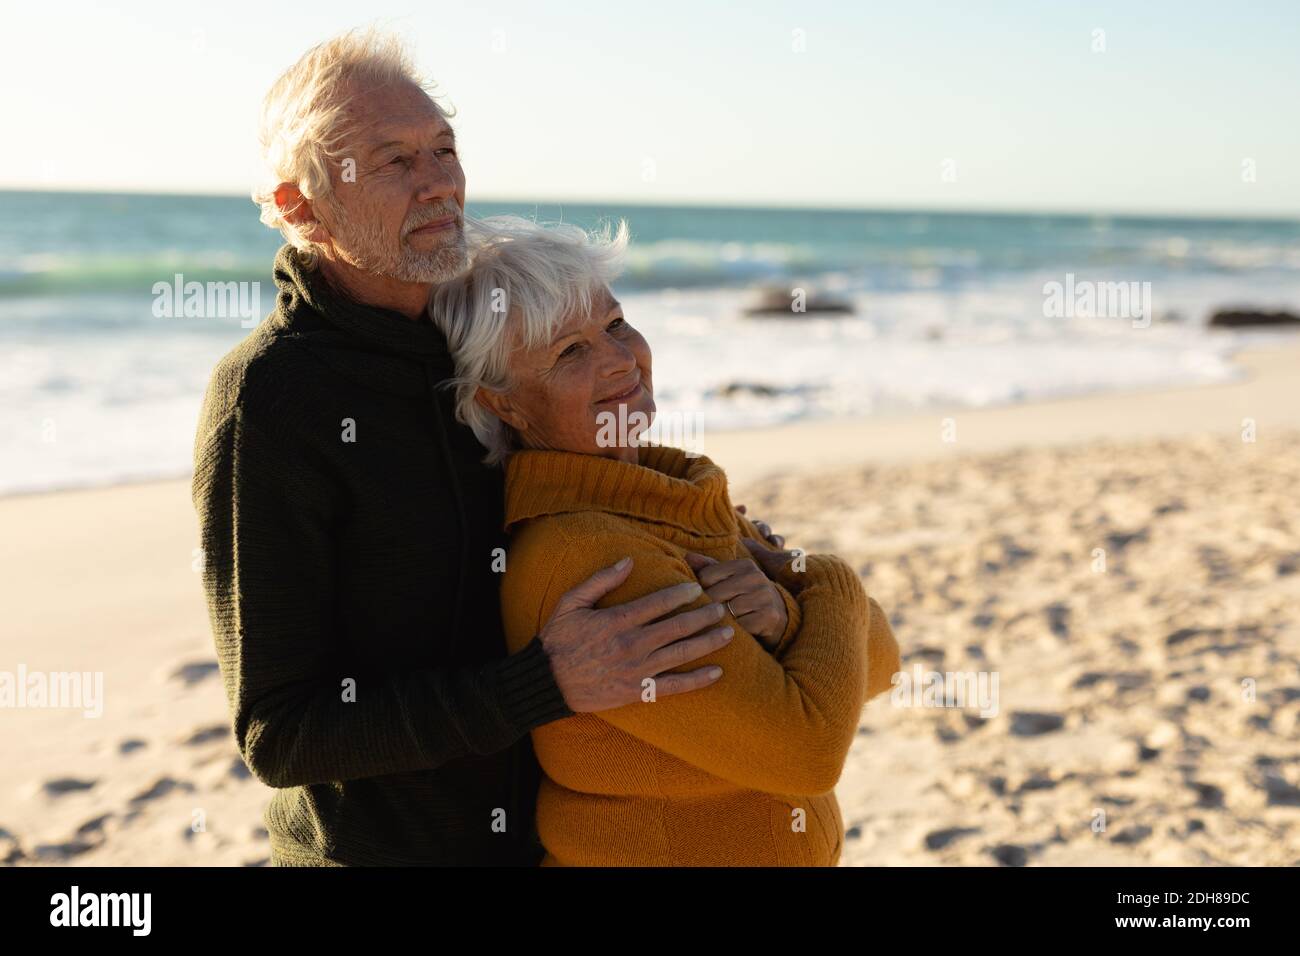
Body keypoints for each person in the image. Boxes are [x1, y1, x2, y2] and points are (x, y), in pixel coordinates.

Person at [191, 29, 764, 866]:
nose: (439, 185)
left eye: (444, 148)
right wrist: (542, 683)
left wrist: (739, 554)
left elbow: (593, 482)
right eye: (392, 162)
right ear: (299, 208)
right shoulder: (271, 403)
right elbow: (282, 733)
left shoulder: (479, 338)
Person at [429, 216, 902, 865]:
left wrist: (784, 613)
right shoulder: (589, 556)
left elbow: (881, 663)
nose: (621, 359)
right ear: (502, 402)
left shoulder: (672, 496)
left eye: (616, 324)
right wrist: (827, 582)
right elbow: (809, 751)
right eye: (570, 352)